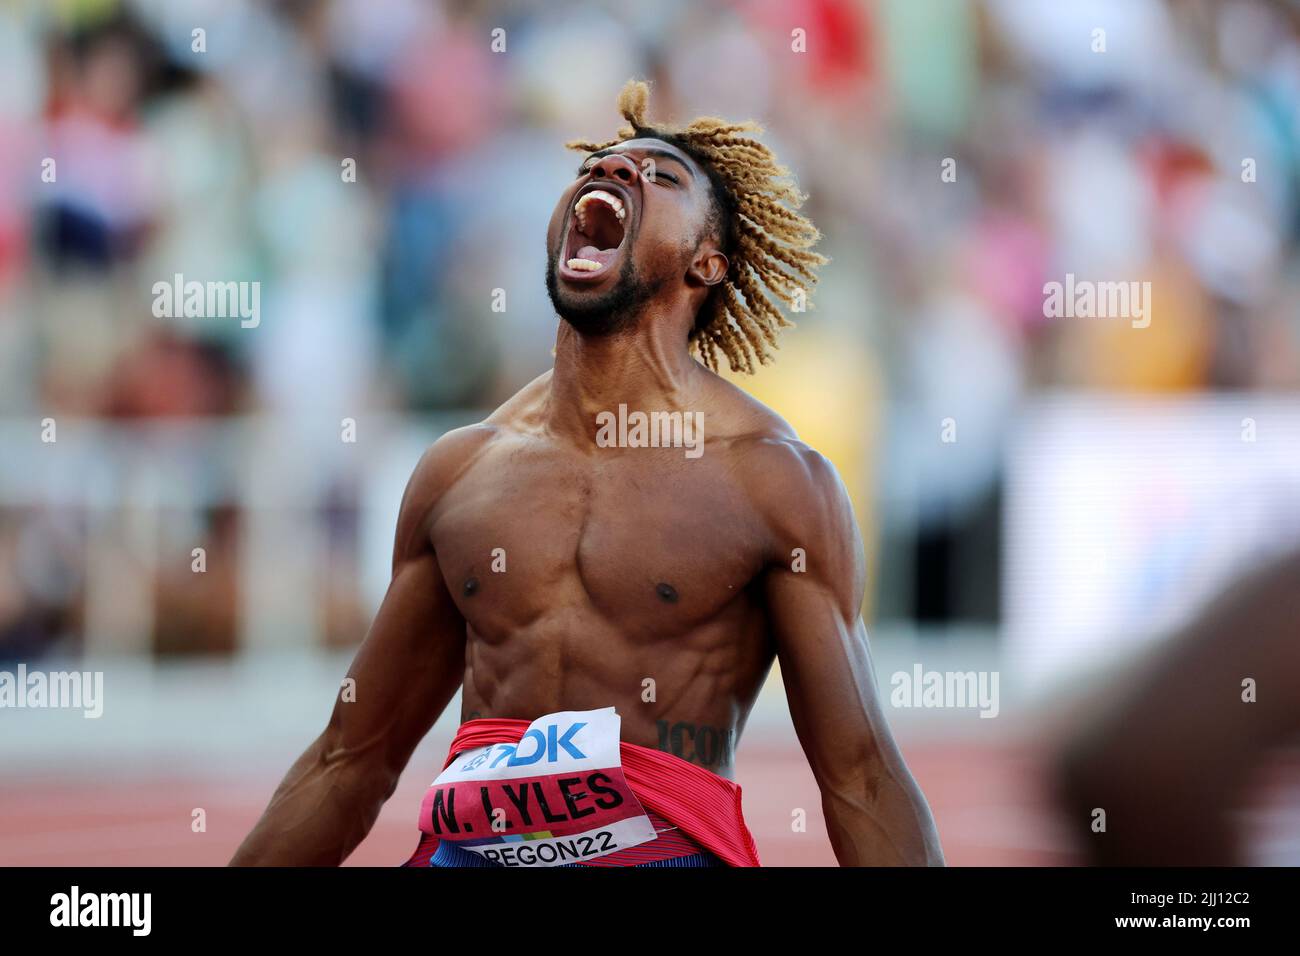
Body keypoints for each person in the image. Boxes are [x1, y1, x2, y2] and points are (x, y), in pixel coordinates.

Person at [232, 81, 943, 868]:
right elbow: (350, 761)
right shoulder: (461, 471)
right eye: (601, 166)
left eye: (662, 177)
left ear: (708, 262)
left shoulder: (772, 483)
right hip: (473, 852)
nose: (621, 172)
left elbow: (861, 778)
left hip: (662, 853)